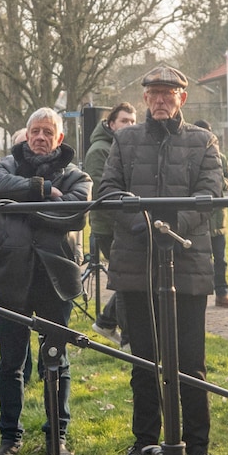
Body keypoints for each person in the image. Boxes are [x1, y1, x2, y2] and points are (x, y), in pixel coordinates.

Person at [99, 65, 224, 455]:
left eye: (168, 93)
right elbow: (108, 190)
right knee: (144, 361)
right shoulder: (125, 140)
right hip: (137, 263)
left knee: (191, 363)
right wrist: (140, 223)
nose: (160, 100)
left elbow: (210, 194)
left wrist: (173, 229)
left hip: (187, 263)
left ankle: (198, 448)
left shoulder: (203, 141)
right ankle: (144, 441)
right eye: (153, 93)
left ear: (182, 98)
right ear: (144, 98)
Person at [0, 107, 89, 455]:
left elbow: (73, 213)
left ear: (59, 138)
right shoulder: (5, 166)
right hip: (10, 279)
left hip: (55, 281)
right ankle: (9, 436)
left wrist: (20, 205)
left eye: (48, 132)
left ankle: (56, 436)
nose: (41, 137)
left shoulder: (78, 175)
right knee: (10, 363)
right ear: (26, 135)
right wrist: (42, 190)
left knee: (56, 362)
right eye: (35, 131)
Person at [83, 102, 136, 346]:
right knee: (126, 280)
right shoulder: (99, 150)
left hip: (126, 224)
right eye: (124, 121)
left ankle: (106, 321)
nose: (130, 125)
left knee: (129, 277)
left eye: (133, 121)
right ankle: (128, 338)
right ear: (111, 123)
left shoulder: (125, 146)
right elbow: (100, 193)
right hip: (109, 228)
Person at [192, 120, 228, 308]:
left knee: (220, 260)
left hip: (218, 219)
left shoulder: (220, 157)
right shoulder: (187, 157)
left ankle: (222, 294)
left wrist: (219, 184)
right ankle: (196, 296)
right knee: (196, 260)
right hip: (195, 219)